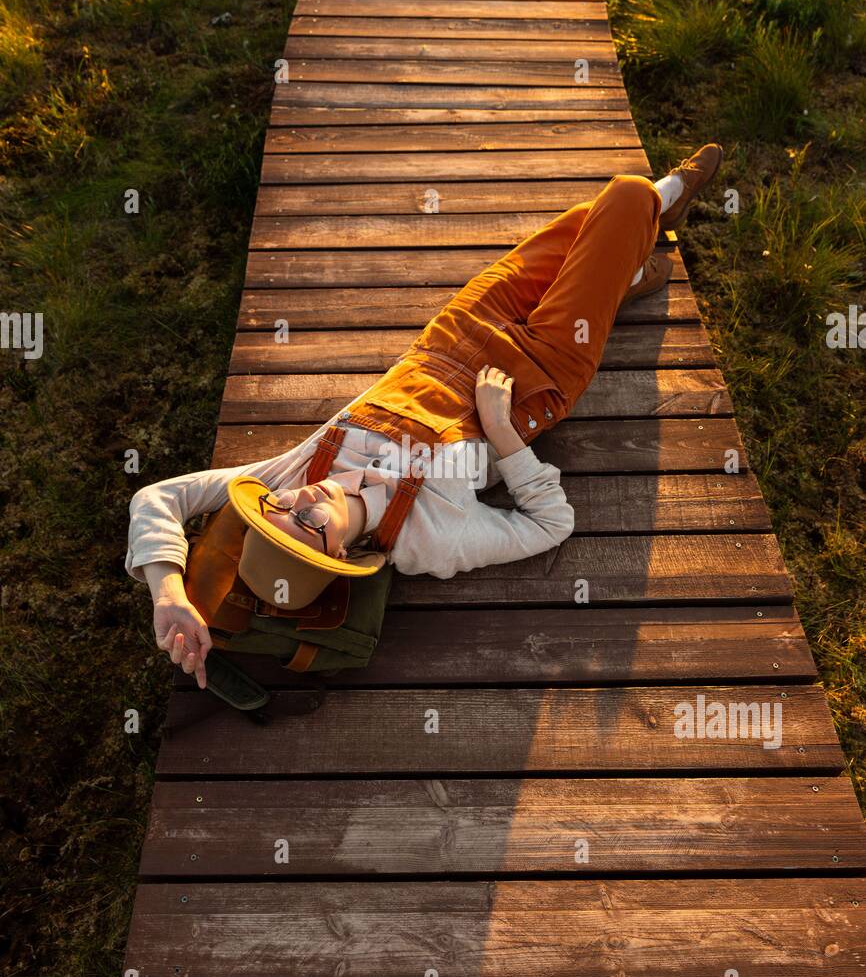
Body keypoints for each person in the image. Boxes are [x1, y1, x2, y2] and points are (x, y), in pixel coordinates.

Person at [127, 145, 723, 688]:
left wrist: (169, 594)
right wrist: (502, 433)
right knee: (625, 195)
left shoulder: (294, 475)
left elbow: (155, 498)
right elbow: (549, 525)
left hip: (457, 331)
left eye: (280, 511)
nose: (300, 502)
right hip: (540, 369)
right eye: (307, 526)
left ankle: (626, 269)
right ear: (343, 554)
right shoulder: (427, 541)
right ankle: (657, 211)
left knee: (580, 229)